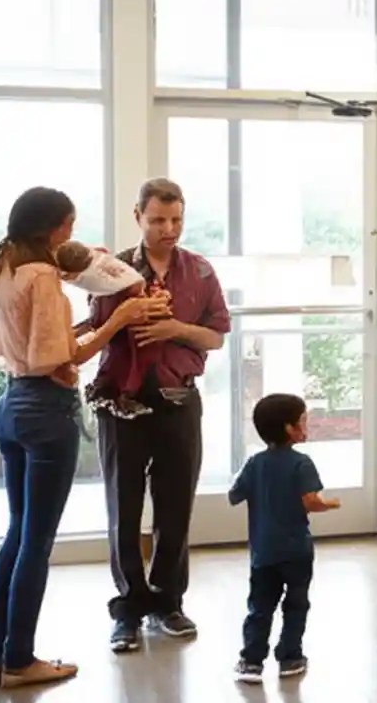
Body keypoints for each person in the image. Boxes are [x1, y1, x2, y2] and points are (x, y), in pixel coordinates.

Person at [0, 187, 156, 688]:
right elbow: (63, 359)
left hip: (10, 406)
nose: (72, 234)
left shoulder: (4, 268)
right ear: (53, 229)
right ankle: (21, 659)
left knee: (16, 534)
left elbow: (40, 344)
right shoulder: (43, 277)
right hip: (45, 415)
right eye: (69, 226)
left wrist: (73, 338)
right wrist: (119, 318)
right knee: (36, 543)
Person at [85, 177, 231, 652]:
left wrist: (175, 328)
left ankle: (169, 600)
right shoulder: (111, 271)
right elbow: (95, 330)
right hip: (120, 402)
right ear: (137, 218)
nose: (169, 229)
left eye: (176, 220)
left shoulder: (202, 272)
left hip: (178, 400)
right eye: (158, 221)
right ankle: (128, 607)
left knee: (175, 508)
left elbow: (215, 337)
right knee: (123, 508)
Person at [228, 393, 341, 684]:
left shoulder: (255, 463)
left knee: (260, 606)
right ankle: (290, 657)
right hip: (297, 550)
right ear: (290, 428)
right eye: (303, 421)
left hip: (263, 552)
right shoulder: (301, 463)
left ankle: (251, 660)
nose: (307, 426)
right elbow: (310, 502)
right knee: (296, 604)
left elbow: (233, 495)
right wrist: (331, 504)